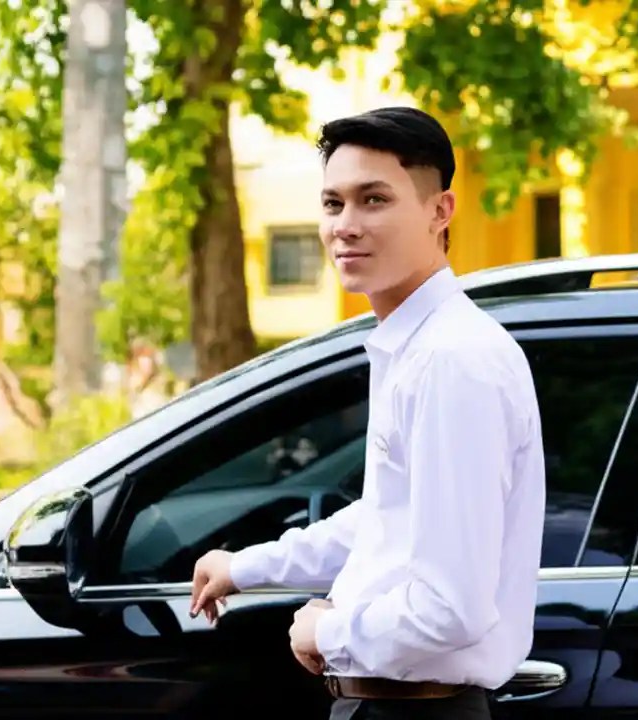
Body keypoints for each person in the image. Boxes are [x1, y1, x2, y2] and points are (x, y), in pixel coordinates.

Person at [187, 106, 547, 720]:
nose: (345, 226)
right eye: (333, 204)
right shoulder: (416, 346)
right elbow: (389, 520)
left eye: (373, 200)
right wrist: (247, 566)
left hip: (415, 709)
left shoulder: (452, 359)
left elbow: (452, 607)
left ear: (441, 211)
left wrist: (326, 633)